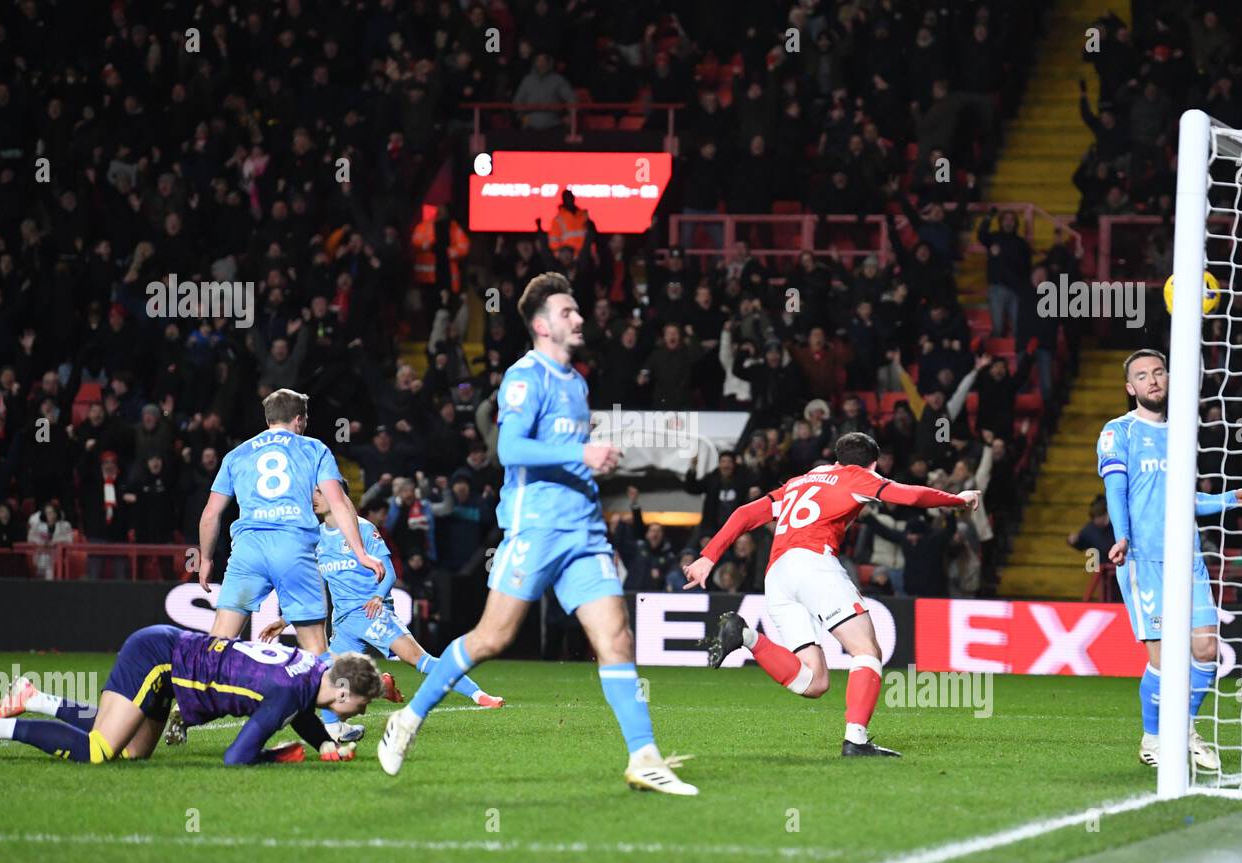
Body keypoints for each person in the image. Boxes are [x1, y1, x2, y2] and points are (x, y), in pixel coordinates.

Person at [377, 272, 697, 795]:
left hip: (584, 532)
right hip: (536, 529)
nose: (578, 319)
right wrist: (583, 453)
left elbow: (565, 454)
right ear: (542, 325)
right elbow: (513, 450)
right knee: (492, 639)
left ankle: (644, 757)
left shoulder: (576, 381)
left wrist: (596, 466)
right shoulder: (526, 376)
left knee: (616, 639)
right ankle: (408, 719)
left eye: (576, 310)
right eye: (568, 312)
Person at [684, 431, 978, 757]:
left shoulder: (800, 481)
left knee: (814, 682)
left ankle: (746, 636)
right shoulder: (857, 477)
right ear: (873, 464)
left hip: (778, 574)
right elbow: (908, 496)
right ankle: (856, 739)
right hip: (813, 564)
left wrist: (708, 556)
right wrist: (957, 500)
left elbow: (744, 514)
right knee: (866, 650)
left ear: (837, 458)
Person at [1098, 349, 1242, 769]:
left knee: (1206, 650)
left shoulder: (1182, 432)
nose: (1152, 380)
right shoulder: (1119, 431)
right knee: (1164, 661)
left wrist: (1229, 498)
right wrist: (1121, 537)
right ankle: (1153, 741)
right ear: (1130, 388)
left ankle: (1184, 730)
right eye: (1142, 376)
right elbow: (1117, 490)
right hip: (1143, 559)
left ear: (1168, 379)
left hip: (1187, 558)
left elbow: (1184, 499)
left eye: (1158, 372)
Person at [0, 625, 380, 765]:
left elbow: (301, 709)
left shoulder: (313, 668)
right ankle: (1, 729)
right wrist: (278, 756)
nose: (360, 712)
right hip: (157, 658)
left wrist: (323, 744)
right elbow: (236, 757)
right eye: (362, 704)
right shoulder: (288, 692)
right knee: (99, 751)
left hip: (173, 659)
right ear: (344, 691)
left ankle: (33, 698)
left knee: (132, 752)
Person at [196, 388, 384, 654]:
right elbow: (339, 503)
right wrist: (361, 552)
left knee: (219, 640)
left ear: (268, 419)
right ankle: (331, 695)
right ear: (299, 419)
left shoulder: (237, 454)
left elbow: (210, 515)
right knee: (316, 648)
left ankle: (192, 694)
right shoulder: (314, 449)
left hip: (247, 551)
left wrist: (205, 560)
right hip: (293, 549)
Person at [309, 484, 504, 739]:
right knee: (329, 676)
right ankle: (338, 730)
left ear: (338, 496)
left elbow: (389, 572)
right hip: (343, 622)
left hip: (370, 612)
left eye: (319, 491)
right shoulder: (316, 537)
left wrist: (378, 597)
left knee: (418, 660)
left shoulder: (363, 529)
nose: (313, 497)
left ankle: (480, 695)